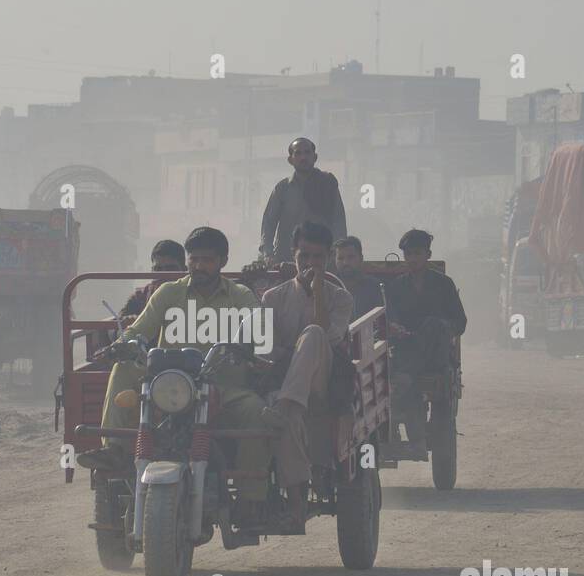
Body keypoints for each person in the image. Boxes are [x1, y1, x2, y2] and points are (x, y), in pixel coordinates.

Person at [77, 227, 272, 509]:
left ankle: (252, 498)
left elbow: (260, 327)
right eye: (194, 259)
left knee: (256, 411)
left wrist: (250, 347)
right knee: (124, 368)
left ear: (222, 261)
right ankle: (115, 450)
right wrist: (122, 344)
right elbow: (139, 329)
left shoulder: (239, 295)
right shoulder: (169, 292)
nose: (199, 266)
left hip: (222, 387)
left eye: (207, 260)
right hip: (169, 384)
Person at [259, 221, 354, 533]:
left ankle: (287, 405)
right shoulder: (273, 298)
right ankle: (297, 504)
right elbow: (268, 352)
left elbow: (329, 336)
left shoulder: (341, 299)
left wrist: (317, 293)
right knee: (289, 419)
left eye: (317, 258)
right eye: (304, 257)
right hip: (288, 381)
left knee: (314, 333)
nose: (310, 264)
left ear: (328, 258)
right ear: (293, 256)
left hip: (322, 380)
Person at [383, 229, 468, 454]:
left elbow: (460, 322)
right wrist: (395, 328)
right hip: (404, 349)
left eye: (417, 253)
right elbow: (389, 318)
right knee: (405, 372)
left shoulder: (444, 284)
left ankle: (407, 379)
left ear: (428, 255)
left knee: (432, 325)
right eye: (408, 254)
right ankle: (407, 434)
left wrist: (441, 329)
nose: (412, 259)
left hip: (435, 356)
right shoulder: (396, 287)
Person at [259, 137, 348, 265]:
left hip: (322, 260)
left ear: (315, 157)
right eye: (298, 153)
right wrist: (268, 254)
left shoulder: (327, 183)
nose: (303, 157)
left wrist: (338, 253)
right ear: (290, 160)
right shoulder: (282, 188)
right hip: (287, 261)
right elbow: (269, 223)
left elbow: (338, 220)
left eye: (307, 153)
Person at [120, 239, 185, 323]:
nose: (163, 274)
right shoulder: (140, 297)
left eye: (170, 269)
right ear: (152, 271)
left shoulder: (195, 293)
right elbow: (115, 326)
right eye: (158, 269)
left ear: (184, 270)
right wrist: (130, 322)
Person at [331, 235, 384, 321]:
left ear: (361, 258)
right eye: (340, 258)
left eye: (350, 257)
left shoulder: (375, 286)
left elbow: (385, 320)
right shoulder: (328, 287)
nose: (345, 263)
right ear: (335, 261)